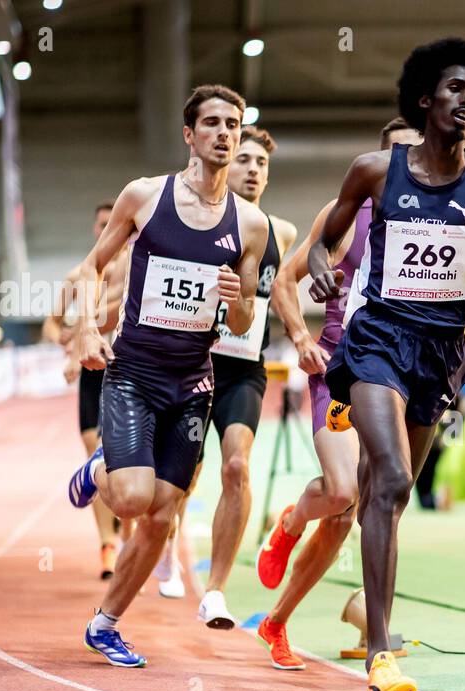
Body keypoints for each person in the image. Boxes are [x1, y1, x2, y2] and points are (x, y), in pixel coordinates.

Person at [307, 38, 465, 691]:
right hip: (377, 340)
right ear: (426, 99)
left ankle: (366, 619)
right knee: (392, 474)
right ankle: (379, 652)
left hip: (441, 352)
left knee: (390, 496)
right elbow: (325, 242)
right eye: (457, 89)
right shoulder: (375, 170)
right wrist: (319, 265)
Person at [65, 84, 271, 668]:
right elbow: (90, 267)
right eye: (211, 123)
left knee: (161, 516)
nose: (224, 133)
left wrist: (237, 298)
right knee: (131, 499)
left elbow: (243, 317)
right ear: (190, 134)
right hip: (134, 372)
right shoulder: (145, 197)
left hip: (193, 384)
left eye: (233, 123)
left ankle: (105, 625)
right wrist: (84, 328)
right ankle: (101, 469)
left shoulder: (250, 225)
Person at [253, 117, 422, 671]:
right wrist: (301, 339)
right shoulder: (346, 212)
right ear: (379, 164)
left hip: (398, 375)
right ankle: (290, 521)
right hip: (339, 369)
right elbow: (284, 279)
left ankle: (277, 622)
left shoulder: (437, 223)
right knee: (344, 490)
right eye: (397, 157)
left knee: (352, 516)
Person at [156, 125, 299, 626]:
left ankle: (215, 590)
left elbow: (281, 291)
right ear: (225, 164)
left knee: (236, 466)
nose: (254, 170)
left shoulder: (279, 232)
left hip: (243, 371)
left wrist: (302, 335)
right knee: (184, 475)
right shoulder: (195, 222)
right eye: (245, 161)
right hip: (192, 366)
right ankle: (167, 548)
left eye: (262, 163)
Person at [45, 203, 130, 579]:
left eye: (113, 223)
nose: (107, 229)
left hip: (128, 365)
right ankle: (107, 545)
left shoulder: (135, 269)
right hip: (93, 369)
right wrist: (65, 340)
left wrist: (84, 325)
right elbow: (51, 322)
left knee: (127, 456)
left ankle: (127, 535)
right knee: (94, 450)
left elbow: (114, 310)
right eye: (101, 224)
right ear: (97, 229)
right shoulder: (79, 274)